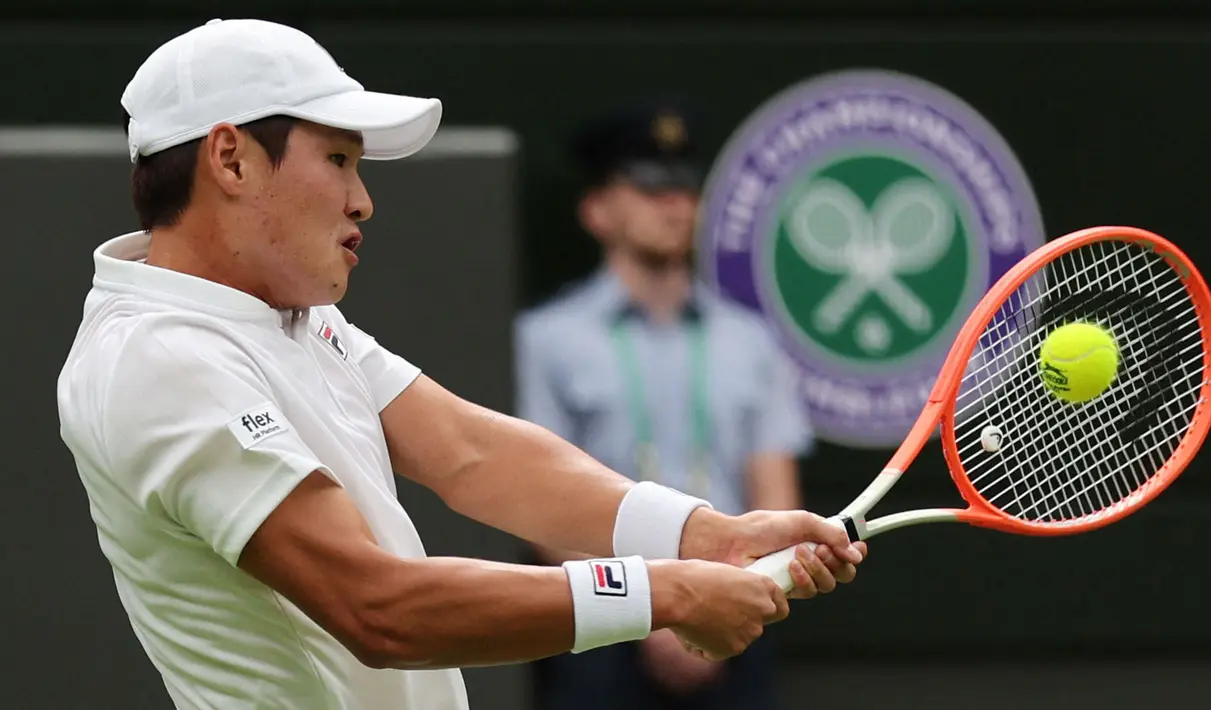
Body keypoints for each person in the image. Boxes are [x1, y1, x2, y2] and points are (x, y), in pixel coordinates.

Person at [55, 19, 867, 710]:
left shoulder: (288, 315)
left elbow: (469, 452)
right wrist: (666, 591)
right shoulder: (162, 357)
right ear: (231, 160)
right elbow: (379, 608)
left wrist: (704, 534)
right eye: (337, 160)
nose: (362, 199)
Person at [515, 102, 819, 710]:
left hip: (735, 624)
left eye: (685, 189)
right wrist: (648, 609)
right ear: (597, 210)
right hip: (601, 631)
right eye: (650, 189)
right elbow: (536, 504)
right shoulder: (546, 340)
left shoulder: (752, 341)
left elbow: (776, 496)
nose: (674, 205)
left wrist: (728, 600)